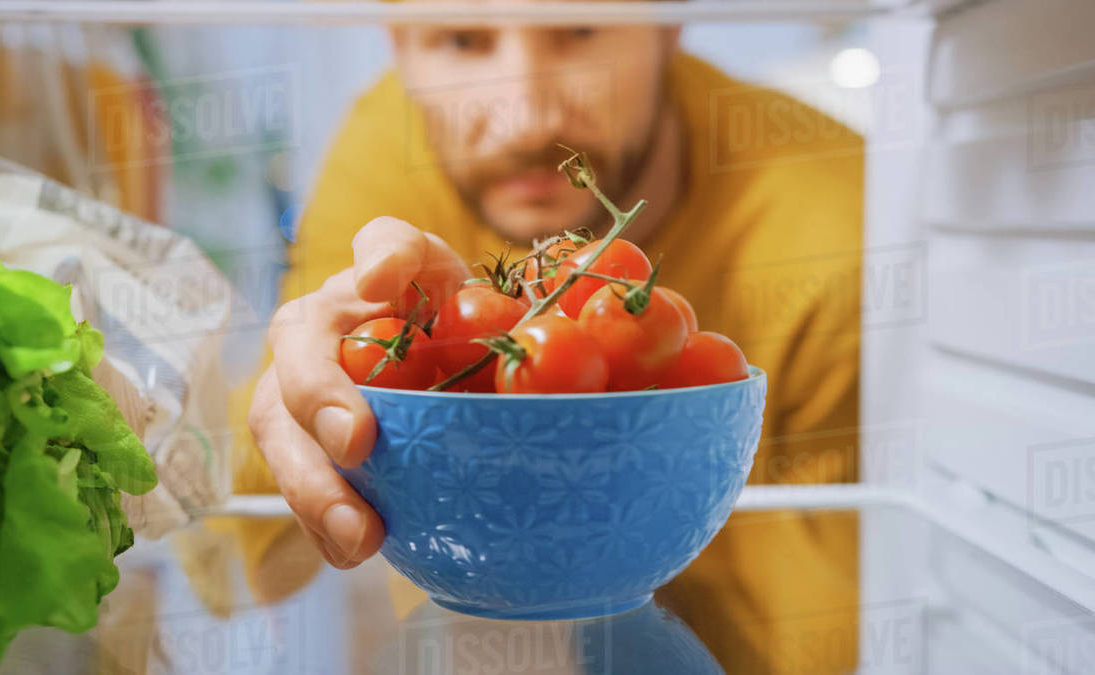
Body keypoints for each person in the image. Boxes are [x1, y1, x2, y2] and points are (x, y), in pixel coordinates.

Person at [231, 5, 863, 672]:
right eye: (462, 39)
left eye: (579, 30)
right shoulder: (392, 139)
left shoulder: (836, 229)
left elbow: (835, 638)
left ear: (669, 26)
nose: (527, 119)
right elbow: (256, 549)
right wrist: (304, 411)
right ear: (399, 46)